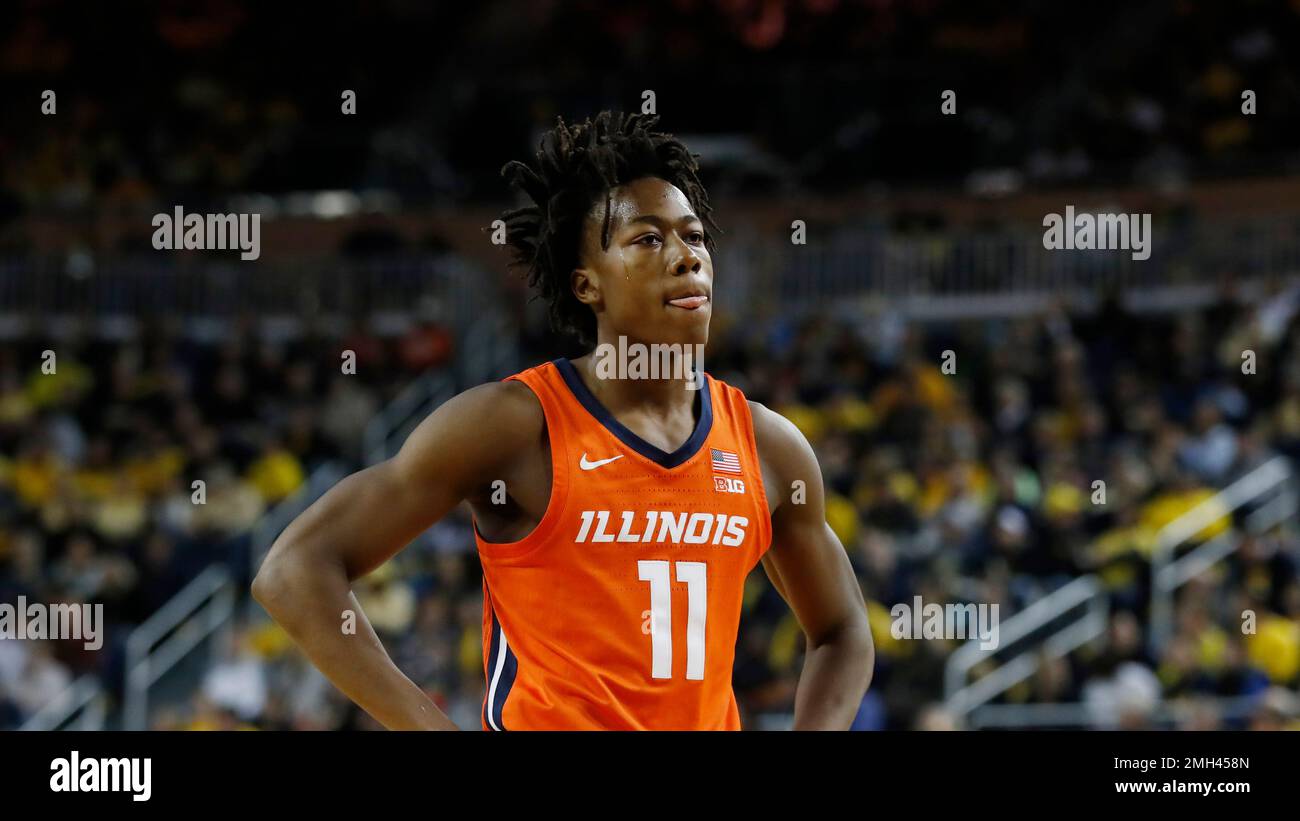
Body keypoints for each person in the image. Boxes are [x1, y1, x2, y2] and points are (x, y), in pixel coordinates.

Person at [253, 111, 873, 730]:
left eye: (694, 236)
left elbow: (843, 631)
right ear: (586, 284)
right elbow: (295, 571)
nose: (687, 258)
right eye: (649, 239)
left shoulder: (768, 447)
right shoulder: (512, 425)